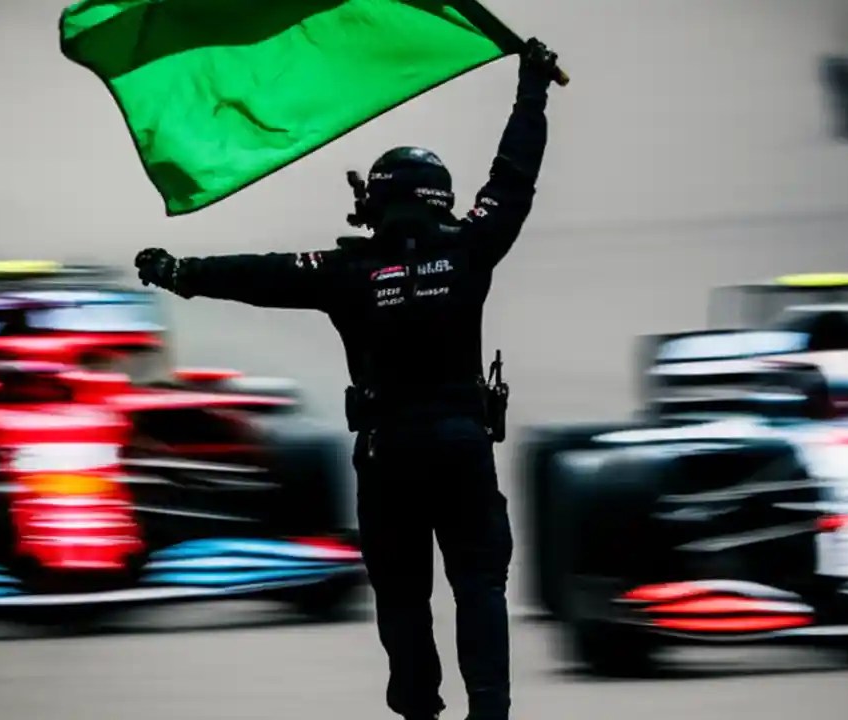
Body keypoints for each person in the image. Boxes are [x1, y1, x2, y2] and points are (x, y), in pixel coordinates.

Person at [134, 38, 561, 720]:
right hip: (461, 448)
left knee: (402, 595)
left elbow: (260, 274)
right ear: (441, 199)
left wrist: (180, 273)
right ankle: (490, 713)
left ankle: (419, 711)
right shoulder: (471, 247)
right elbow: (513, 178)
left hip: (389, 457)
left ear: (377, 203)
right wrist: (531, 87)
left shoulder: (345, 272)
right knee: (479, 586)